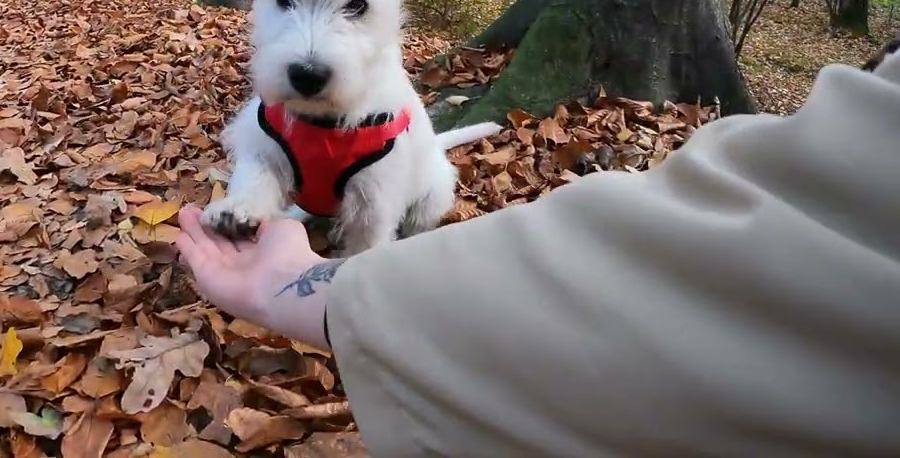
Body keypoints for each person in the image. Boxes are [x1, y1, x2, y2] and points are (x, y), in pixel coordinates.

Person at [175, 40, 900, 457]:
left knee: (394, 204)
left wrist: (342, 283)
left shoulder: (393, 118)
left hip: (392, 217)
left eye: (353, 9)